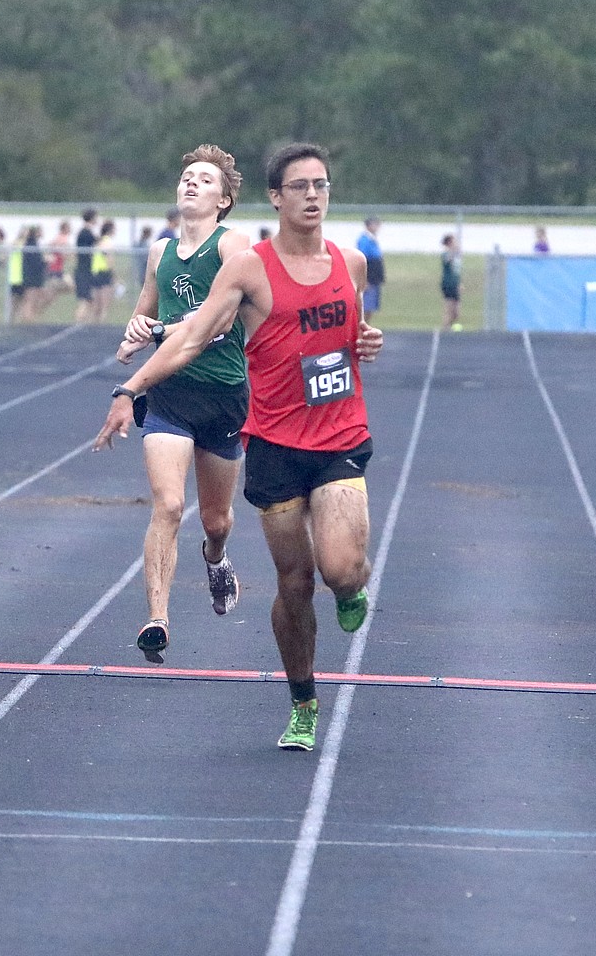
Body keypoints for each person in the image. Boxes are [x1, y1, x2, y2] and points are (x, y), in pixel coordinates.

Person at [96, 142, 384, 752]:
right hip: (275, 441)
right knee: (294, 584)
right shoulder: (248, 268)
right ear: (276, 198)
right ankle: (303, 702)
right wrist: (130, 387)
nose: (313, 195)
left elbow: (348, 332)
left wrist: (366, 343)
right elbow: (192, 338)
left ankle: (354, 587)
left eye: (322, 185)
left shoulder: (351, 262)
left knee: (337, 569)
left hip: (338, 435)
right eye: (300, 185)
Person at [91, 144, 255, 664]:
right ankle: (157, 618)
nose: (191, 184)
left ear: (223, 199)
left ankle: (217, 558)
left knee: (216, 520)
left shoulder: (236, 247)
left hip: (223, 395)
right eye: (186, 176)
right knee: (167, 505)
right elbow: (141, 322)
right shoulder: (160, 253)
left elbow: (220, 319)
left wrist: (161, 329)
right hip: (170, 397)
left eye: (205, 180)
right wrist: (135, 332)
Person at [13, 225, 46, 322]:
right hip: (31, 277)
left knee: (33, 299)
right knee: (30, 299)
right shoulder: (31, 245)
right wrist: (45, 261)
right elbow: (35, 262)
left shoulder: (33, 244)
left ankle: (28, 318)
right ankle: (27, 320)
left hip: (33, 277)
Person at [73, 209, 100, 323]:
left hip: (87, 270)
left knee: (90, 300)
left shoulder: (86, 233)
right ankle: (78, 323)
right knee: (84, 300)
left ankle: (85, 324)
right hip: (83, 270)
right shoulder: (85, 233)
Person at [356, 217, 385, 320]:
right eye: (375, 224)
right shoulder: (365, 240)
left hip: (375, 277)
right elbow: (363, 259)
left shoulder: (373, 239)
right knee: (366, 305)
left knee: (371, 307)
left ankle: (365, 328)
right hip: (369, 277)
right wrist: (364, 279)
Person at [90, 218, 118, 322]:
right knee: (104, 303)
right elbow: (108, 258)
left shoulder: (99, 241)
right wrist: (113, 273)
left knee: (97, 302)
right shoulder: (107, 242)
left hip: (96, 272)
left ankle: (94, 323)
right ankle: (101, 324)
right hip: (104, 272)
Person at [439, 234, 462, 331]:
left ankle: (450, 326)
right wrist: (454, 250)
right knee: (449, 308)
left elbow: (457, 271)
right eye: (453, 241)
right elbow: (448, 259)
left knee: (456, 312)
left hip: (455, 283)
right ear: (449, 243)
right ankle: (445, 328)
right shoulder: (445, 254)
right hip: (447, 283)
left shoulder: (456, 256)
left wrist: (459, 283)